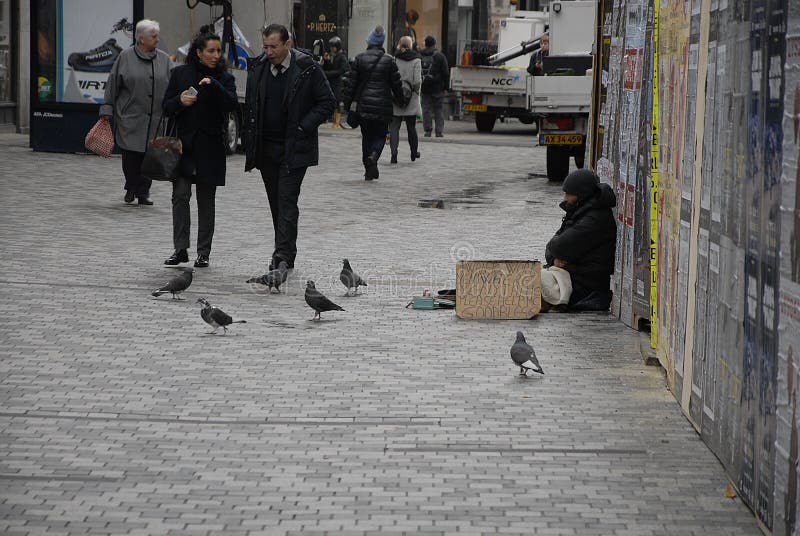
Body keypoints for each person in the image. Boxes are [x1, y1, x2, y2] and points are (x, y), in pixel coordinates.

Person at [243, 24, 335, 272]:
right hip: (266, 148)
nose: (269, 51)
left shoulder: (307, 68)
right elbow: (252, 104)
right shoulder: (259, 67)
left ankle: (281, 255)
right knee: (276, 202)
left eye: (274, 46)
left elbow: (327, 102)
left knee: (286, 200)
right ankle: (285, 250)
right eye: (265, 46)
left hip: (294, 148)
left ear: (287, 44)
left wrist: (304, 127)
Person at [161, 27, 237, 268]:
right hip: (183, 147)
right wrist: (179, 101)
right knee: (180, 196)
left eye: (219, 51)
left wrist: (214, 85)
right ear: (198, 52)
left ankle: (203, 252)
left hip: (210, 148)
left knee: (206, 202)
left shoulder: (225, 78)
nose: (216, 55)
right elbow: (166, 107)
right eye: (211, 51)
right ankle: (180, 249)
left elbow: (231, 104)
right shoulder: (181, 73)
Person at [99, 19, 171, 206]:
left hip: (155, 119)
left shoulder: (164, 59)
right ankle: (132, 185)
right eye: (153, 36)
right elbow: (113, 84)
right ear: (141, 39)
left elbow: (175, 84)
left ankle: (143, 192)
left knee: (150, 157)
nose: (157, 39)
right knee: (131, 157)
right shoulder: (125, 57)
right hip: (130, 118)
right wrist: (107, 108)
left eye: (157, 35)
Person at [544, 169, 617, 311]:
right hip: (573, 277)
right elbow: (551, 248)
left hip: (585, 287)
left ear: (581, 195)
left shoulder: (595, 219)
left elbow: (558, 246)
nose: (565, 199)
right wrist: (554, 260)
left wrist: (556, 252)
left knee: (532, 285)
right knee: (530, 278)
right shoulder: (581, 212)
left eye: (568, 194)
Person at [342, 25, 403, 180]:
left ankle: (368, 168)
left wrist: (347, 104)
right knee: (381, 135)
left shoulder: (359, 58)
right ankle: (374, 156)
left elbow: (352, 84)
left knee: (366, 136)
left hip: (363, 105)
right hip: (383, 106)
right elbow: (396, 84)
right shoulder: (389, 61)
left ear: (369, 42)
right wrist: (401, 100)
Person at [389, 36, 421, 164]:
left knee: (394, 128)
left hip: (396, 97)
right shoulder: (416, 60)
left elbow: (391, 78)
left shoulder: (395, 59)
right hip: (411, 97)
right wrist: (416, 91)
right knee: (411, 127)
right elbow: (418, 81)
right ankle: (413, 152)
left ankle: (394, 155)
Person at [419, 35, 449, 138]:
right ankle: (439, 131)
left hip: (424, 86)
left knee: (426, 109)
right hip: (437, 87)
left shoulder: (420, 56)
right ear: (434, 44)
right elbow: (445, 73)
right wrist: (446, 88)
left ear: (425, 44)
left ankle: (428, 130)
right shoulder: (440, 56)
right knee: (438, 109)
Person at [322, 36, 349, 128]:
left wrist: (328, 74)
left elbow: (342, 70)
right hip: (331, 82)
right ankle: (330, 119)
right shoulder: (332, 55)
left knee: (337, 101)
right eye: (331, 46)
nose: (331, 48)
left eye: (333, 46)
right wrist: (326, 61)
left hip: (337, 82)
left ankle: (337, 122)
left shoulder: (342, 57)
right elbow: (329, 67)